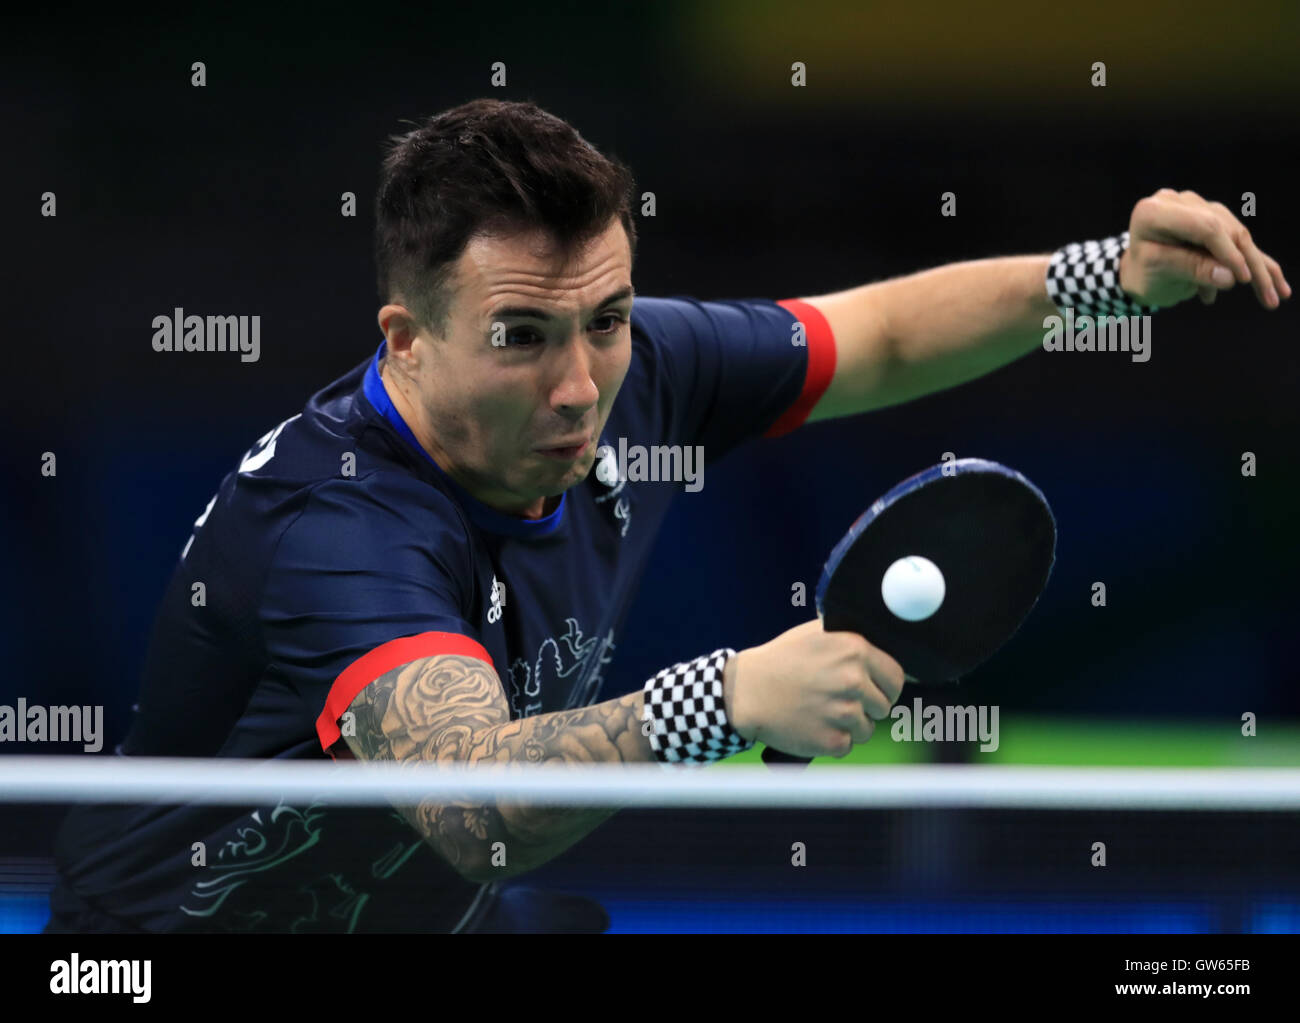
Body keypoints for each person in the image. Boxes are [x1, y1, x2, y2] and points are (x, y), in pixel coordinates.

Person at [45, 98, 1289, 934]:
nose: (582, 382)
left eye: (607, 318)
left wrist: (1104, 278)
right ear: (405, 342)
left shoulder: (642, 365)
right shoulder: (336, 528)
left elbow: (887, 332)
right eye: (521, 338)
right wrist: (727, 699)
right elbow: (481, 810)